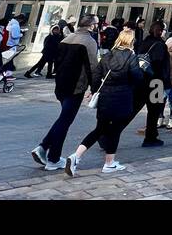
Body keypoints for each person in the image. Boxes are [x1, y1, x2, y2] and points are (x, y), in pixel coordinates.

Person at [64, 28, 143, 175]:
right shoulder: (132, 57)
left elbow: (96, 74)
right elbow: (137, 77)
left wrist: (94, 90)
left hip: (106, 96)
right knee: (115, 130)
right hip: (122, 97)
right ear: (131, 41)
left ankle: (76, 156)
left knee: (99, 129)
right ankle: (109, 163)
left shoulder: (107, 56)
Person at [31, 14, 99, 170]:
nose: (97, 26)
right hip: (75, 86)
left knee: (64, 119)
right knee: (65, 120)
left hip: (61, 83)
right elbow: (92, 68)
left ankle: (47, 151)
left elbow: (57, 61)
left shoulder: (66, 38)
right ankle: (50, 155)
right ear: (91, 26)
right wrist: (95, 88)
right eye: (96, 23)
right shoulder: (88, 42)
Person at [133, 21, 171, 146]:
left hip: (141, 80)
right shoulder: (159, 44)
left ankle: (109, 134)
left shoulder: (145, 42)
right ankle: (151, 137)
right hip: (156, 82)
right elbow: (159, 64)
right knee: (154, 111)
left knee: (133, 109)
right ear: (160, 31)